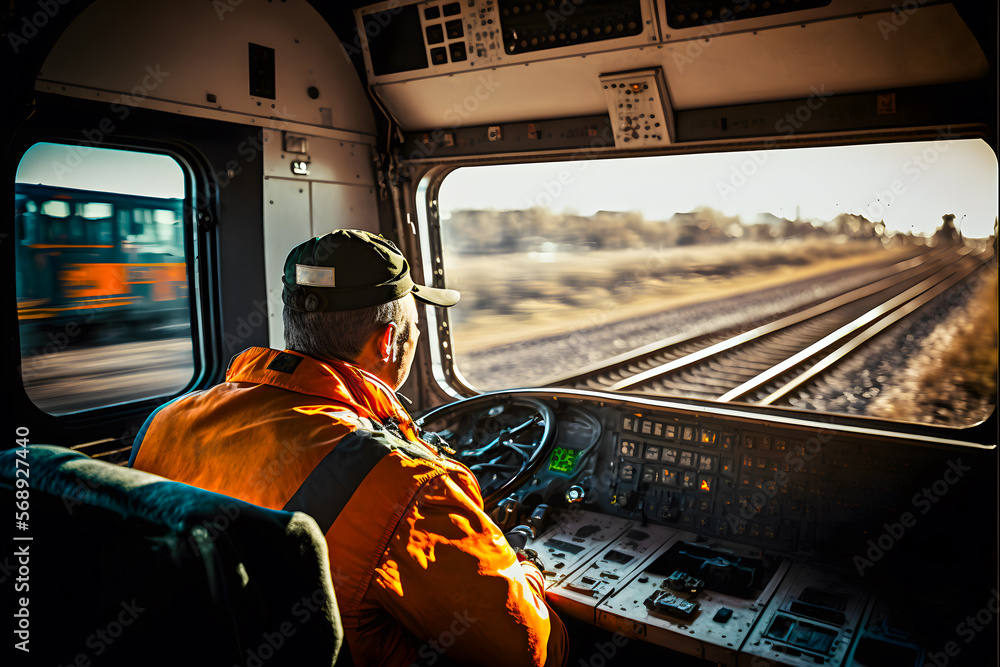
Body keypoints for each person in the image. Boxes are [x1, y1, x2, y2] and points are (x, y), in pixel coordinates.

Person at [129, 229, 568, 667]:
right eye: (415, 329)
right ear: (387, 341)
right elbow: (526, 652)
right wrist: (526, 567)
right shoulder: (406, 482)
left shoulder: (164, 422)